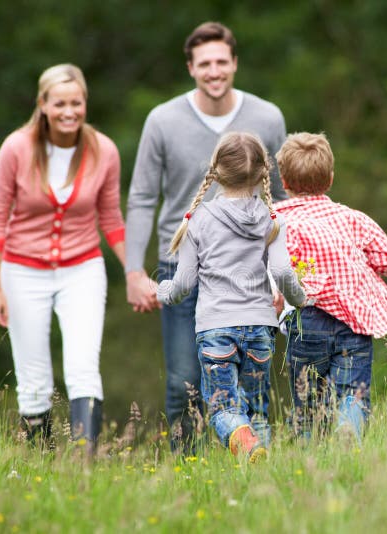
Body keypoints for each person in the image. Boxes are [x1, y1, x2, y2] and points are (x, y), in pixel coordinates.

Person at [125, 21, 288, 453]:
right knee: (183, 382)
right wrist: (133, 271)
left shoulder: (268, 118)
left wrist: (281, 284)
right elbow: (142, 197)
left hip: (250, 270)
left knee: (253, 388)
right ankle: (187, 472)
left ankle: (253, 468)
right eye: (204, 64)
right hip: (183, 263)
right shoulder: (162, 121)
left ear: (234, 63)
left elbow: (282, 201)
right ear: (190, 68)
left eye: (221, 61)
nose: (214, 71)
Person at [0, 63, 126, 455]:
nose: (69, 111)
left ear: (85, 104)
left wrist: (133, 272)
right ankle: (42, 463)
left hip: (82, 268)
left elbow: (111, 218)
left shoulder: (103, 150)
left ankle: (83, 466)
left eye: (76, 103)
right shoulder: (17, 148)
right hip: (22, 271)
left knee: (82, 367)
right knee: (33, 376)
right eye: (60, 103)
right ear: (43, 104)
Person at [155, 132, 306, 462]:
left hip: (215, 329)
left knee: (223, 409)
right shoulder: (272, 220)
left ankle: (245, 443)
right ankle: (259, 470)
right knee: (257, 408)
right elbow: (281, 273)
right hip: (259, 327)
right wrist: (301, 298)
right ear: (263, 172)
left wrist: (163, 292)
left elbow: (183, 284)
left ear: (215, 170)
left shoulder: (199, 220)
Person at [274, 132, 387, 443]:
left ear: (283, 181)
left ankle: (309, 462)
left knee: (307, 402)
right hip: (354, 321)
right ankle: (349, 428)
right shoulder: (352, 219)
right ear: (330, 179)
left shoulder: (277, 220)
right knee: (353, 391)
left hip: (306, 321)